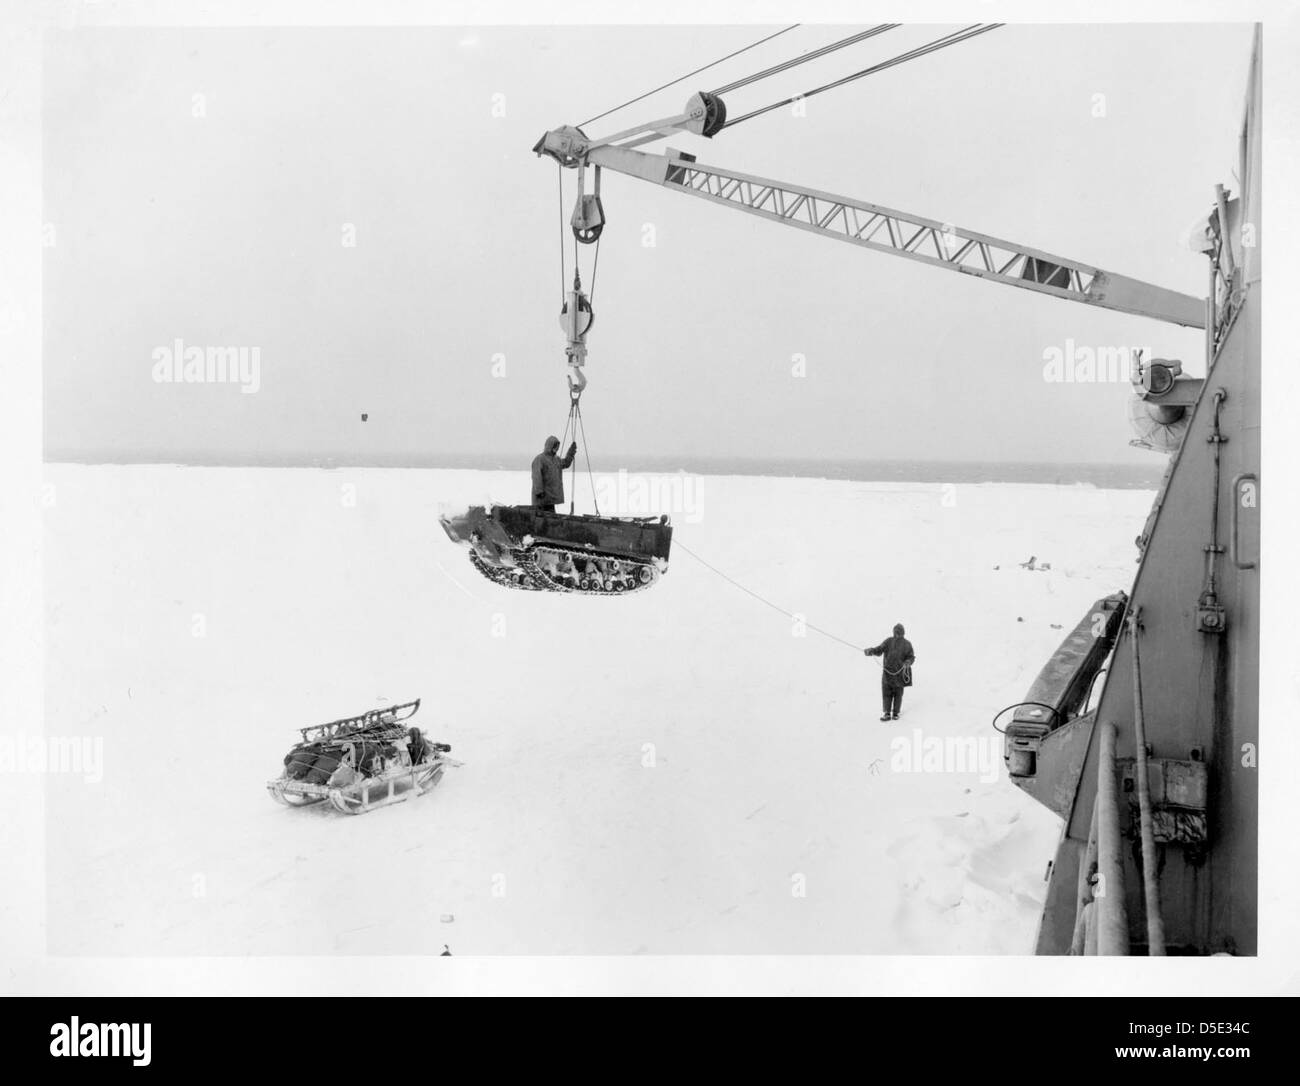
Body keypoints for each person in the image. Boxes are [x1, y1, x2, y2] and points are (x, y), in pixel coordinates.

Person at [864, 623, 915, 721]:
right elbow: (879, 650)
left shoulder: (907, 644)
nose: (897, 633)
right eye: (896, 631)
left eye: (899, 631)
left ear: (903, 632)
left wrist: (908, 662)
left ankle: (895, 713)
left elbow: (911, 656)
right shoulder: (888, 641)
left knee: (898, 694)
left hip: (900, 674)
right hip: (887, 673)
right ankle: (887, 713)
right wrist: (871, 651)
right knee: (886, 693)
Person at [530, 435, 578, 512]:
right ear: (549, 446)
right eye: (555, 447)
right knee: (541, 520)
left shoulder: (556, 459)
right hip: (540, 501)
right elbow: (536, 476)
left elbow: (566, 463)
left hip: (550, 500)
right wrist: (539, 492)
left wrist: (571, 452)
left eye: (557, 447)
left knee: (551, 519)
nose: (556, 449)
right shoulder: (539, 459)